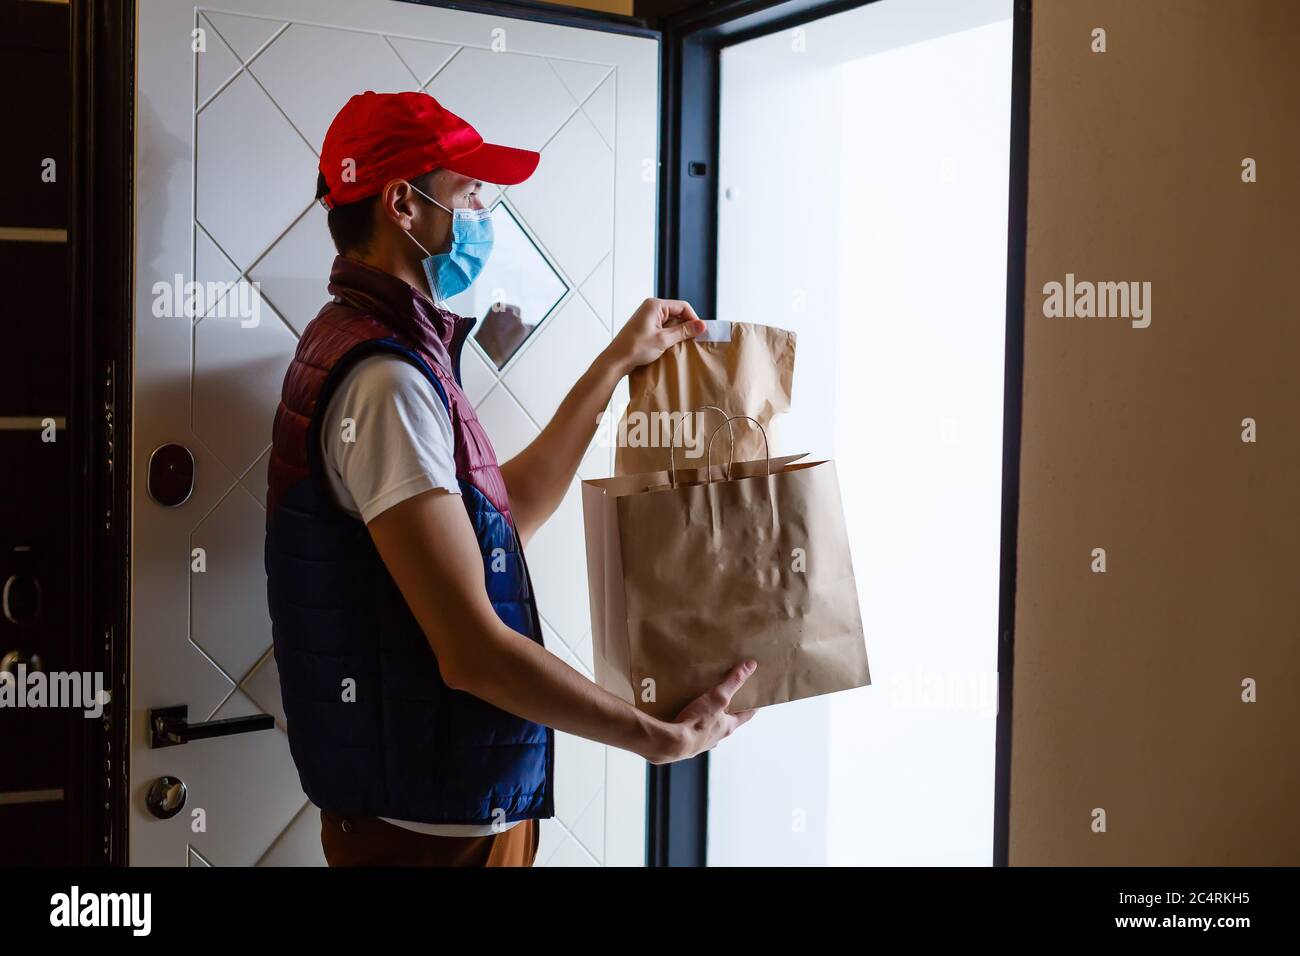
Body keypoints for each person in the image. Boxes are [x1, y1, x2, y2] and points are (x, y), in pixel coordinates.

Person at [264, 91, 756, 867]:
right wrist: (653, 737)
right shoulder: (384, 384)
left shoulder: (383, 347)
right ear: (403, 205)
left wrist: (615, 365)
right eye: (469, 194)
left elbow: (502, 519)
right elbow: (472, 652)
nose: (485, 214)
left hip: (439, 814)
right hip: (428, 837)